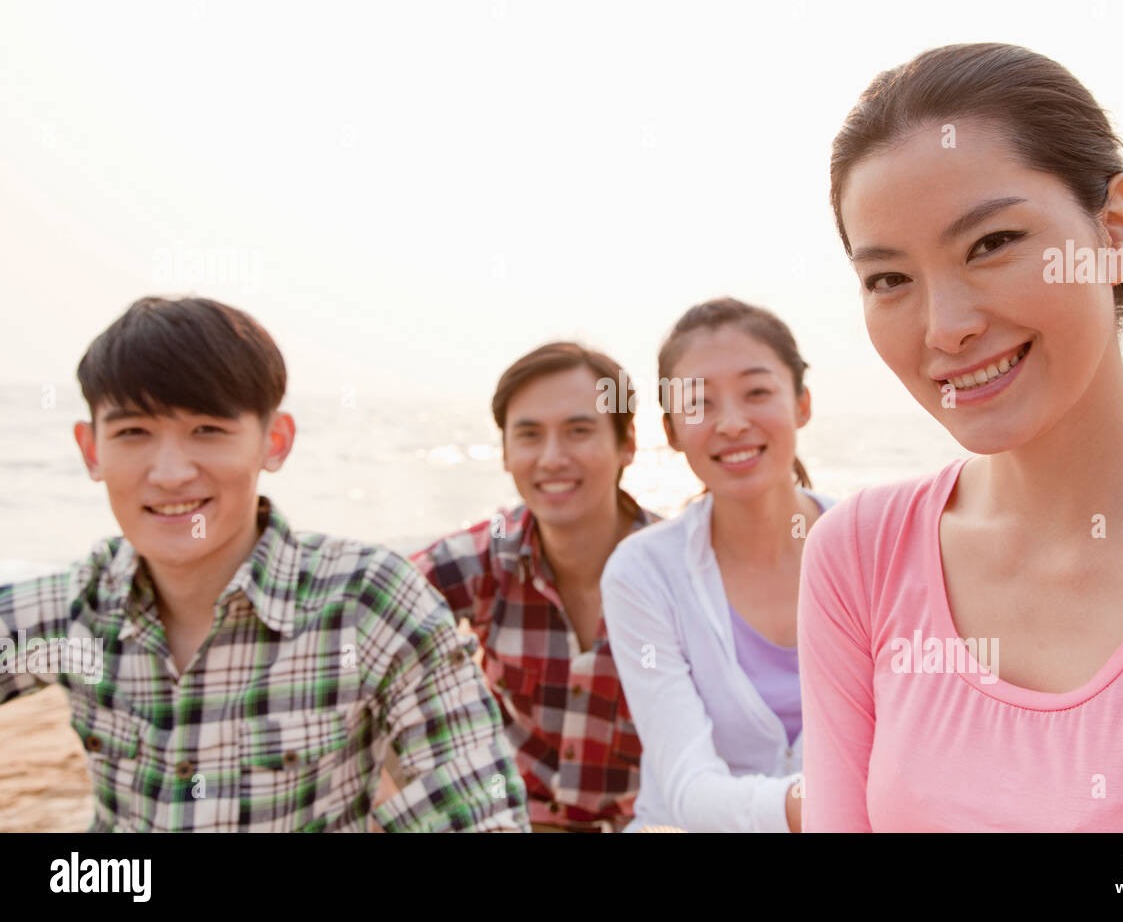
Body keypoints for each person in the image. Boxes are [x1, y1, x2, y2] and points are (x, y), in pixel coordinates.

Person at [799, 42, 1123, 832]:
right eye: (889, 279)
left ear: (1116, 229)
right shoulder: (855, 556)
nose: (947, 329)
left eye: (992, 244)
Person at [0, 296, 527, 832]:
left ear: (274, 441)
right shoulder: (79, 607)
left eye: (207, 430)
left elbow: (478, 809)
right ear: (91, 451)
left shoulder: (367, 602)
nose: (171, 472)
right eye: (133, 432)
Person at [602, 298, 833, 832]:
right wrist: (838, 806)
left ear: (801, 403)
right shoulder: (643, 572)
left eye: (757, 392)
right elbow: (690, 793)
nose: (731, 423)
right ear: (673, 430)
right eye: (698, 404)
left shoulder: (871, 546)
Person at [409, 343, 659, 832]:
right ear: (505, 453)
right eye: (528, 435)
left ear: (627, 442)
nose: (552, 458)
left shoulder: (674, 570)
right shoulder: (486, 558)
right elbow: (357, 621)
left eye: (578, 431)